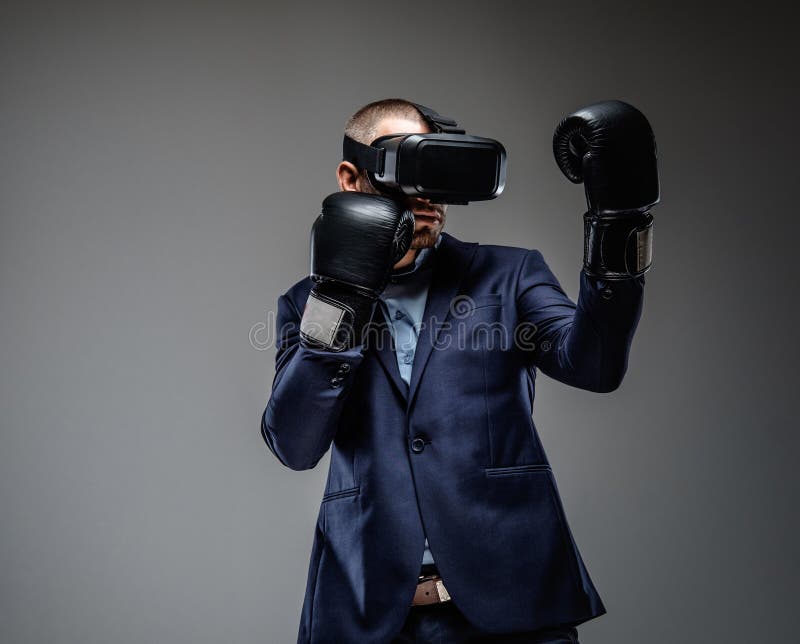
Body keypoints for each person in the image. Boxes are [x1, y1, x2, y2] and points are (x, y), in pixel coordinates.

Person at [261, 98, 657, 643]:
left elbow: (596, 364)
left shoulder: (509, 274)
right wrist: (343, 295)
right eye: (405, 166)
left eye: (438, 168)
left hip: (514, 608)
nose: (427, 193)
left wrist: (620, 224)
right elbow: (294, 445)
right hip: (366, 616)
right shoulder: (307, 303)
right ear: (352, 178)